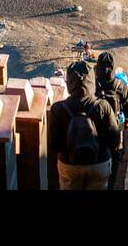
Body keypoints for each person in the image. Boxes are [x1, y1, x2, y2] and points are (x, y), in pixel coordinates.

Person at [48, 60, 121, 190]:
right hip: (99, 163)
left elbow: (54, 144)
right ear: (92, 80)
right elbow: (115, 140)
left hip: (69, 165)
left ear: (69, 82)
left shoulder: (57, 109)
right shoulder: (103, 105)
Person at [95, 51, 128, 189]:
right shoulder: (119, 85)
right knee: (115, 158)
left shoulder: (92, 84)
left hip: (94, 129)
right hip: (115, 128)